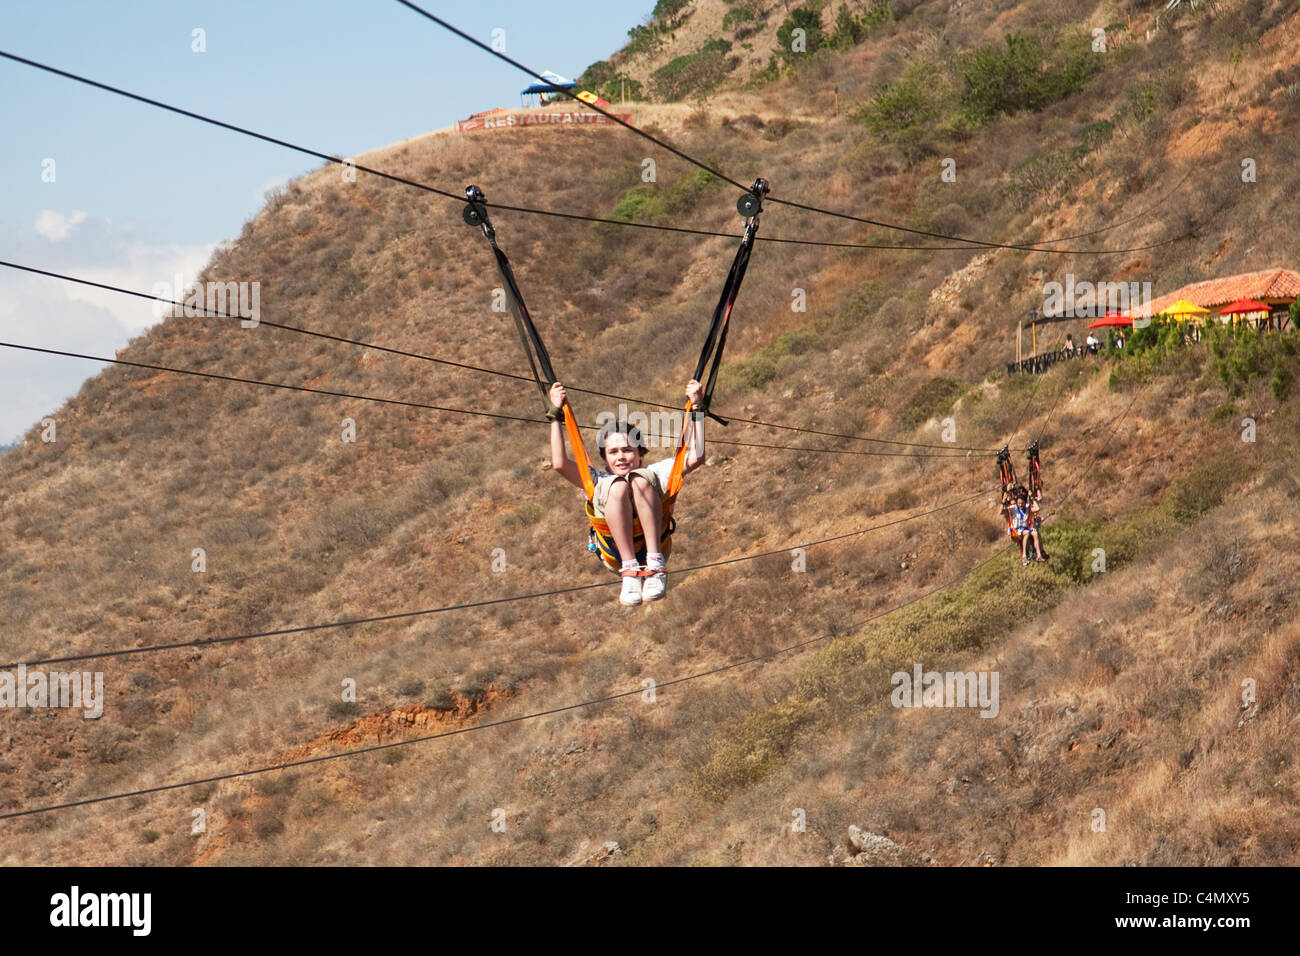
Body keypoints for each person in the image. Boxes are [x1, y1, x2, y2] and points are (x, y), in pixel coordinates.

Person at [549, 379, 706, 606]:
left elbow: (696, 456)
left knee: (639, 479)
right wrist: (555, 413)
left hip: (654, 548)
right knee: (618, 485)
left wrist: (697, 407)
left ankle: (655, 565)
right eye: (613, 452)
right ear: (605, 458)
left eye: (627, 450)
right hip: (616, 556)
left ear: (640, 453)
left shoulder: (655, 472)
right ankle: (629, 568)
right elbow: (559, 463)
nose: (620, 456)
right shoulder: (596, 480)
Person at [1008, 487, 1045, 565]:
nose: (1020, 505)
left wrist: (1031, 497)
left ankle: (1039, 555)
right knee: (1027, 533)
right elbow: (1006, 507)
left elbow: (1037, 508)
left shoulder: (1027, 508)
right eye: (1019, 503)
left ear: (1025, 503)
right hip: (1016, 531)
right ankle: (1024, 555)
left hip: (1024, 529)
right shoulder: (1014, 509)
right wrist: (1008, 492)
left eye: (1022, 503)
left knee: (1035, 533)